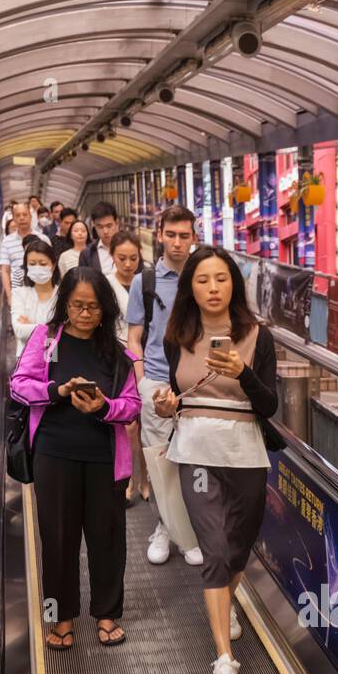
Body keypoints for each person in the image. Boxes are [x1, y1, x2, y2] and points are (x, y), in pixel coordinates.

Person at [154, 246, 278, 674]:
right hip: (195, 452)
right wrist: (167, 405)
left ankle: (227, 599)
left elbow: (269, 404)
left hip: (245, 453)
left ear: (234, 284)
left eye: (221, 279)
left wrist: (244, 372)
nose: (212, 288)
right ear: (190, 286)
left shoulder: (257, 336)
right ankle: (224, 659)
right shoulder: (178, 335)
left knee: (239, 547)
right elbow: (176, 393)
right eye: (203, 279)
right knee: (215, 549)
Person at [9, 268, 140, 650]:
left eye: (94, 307)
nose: (85, 313)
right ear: (65, 303)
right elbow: (19, 385)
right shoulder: (45, 339)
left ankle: (107, 614)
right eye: (78, 305)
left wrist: (104, 407)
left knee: (107, 538)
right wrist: (57, 390)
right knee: (56, 539)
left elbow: (131, 407)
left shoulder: (116, 353)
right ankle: (60, 617)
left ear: (105, 310)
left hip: (104, 457)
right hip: (54, 453)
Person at [126, 205, 202, 567]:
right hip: (156, 382)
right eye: (170, 235)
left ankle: (190, 529)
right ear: (159, 235)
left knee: (194, 458)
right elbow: (135, 336)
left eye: (183, 236)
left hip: (197, 384)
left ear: (193, 238)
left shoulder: (203, 277)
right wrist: (142, 382)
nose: (176, 242)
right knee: (160, 462)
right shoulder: (146, 281)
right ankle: (165, 527)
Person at [106, 230, 150, 506]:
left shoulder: (147, 282)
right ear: (112, 257)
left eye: (133, 258)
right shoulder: (105, 284)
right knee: (126, 425)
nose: (128, 263)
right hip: (115, 359)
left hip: (145, 356)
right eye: (122, 258)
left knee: (144, 424)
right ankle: (130, 478)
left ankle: (145, 478)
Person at [0, 201, 51, 304]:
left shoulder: (43, 239)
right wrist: (10, 297)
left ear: (30, 216)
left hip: (42, 292)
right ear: (13, 219)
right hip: (19, 294)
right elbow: (5, 270)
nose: (22, 218)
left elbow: (52, 266)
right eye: (18, 215)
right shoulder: (7, 241)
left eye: (25, 214)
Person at [10, 238, 59, 344]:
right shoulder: (19, 294)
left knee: (52, 360)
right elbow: (19, 330)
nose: (37, 268)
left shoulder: (62, 295)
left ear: (53, 266)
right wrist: (50, 328)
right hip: (27, 356)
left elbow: (65, 330)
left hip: (56, 355)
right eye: (32, 264)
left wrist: (31, 326)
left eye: (43, 264)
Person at [79, 201, 119, 275]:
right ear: (94, 225)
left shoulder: (129, 247)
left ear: (116, 223)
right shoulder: (87, 254)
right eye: (100, 227)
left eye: (109, 226)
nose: (105, 231)